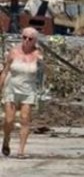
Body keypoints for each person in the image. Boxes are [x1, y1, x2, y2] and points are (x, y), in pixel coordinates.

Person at [0, 28, 44, 159]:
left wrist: (42, 63)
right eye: (24, 37)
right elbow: (5, 71)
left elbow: (44, 73)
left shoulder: (38, 53)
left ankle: (21, 150)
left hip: (28, 90)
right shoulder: (14, 52)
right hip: (12, 89)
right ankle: (6, 139)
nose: (26, 41)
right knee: (9, 120)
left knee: (25, 119)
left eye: (30, 39)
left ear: (35, 40)